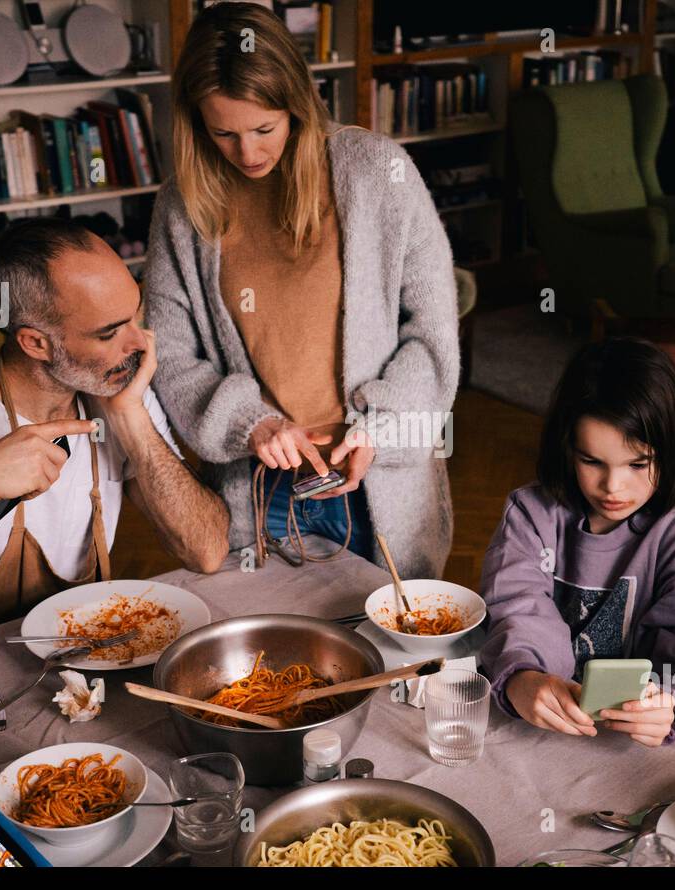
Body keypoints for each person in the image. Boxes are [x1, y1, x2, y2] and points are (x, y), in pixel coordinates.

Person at [144, 1, 459, 577]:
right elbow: (168, 357)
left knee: (396, 656)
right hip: (257, 494)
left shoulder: (375, 172)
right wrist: (252, 423)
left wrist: (381, 428)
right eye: (224, 133)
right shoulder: (181, 207)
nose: (249, 153)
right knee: (271, 665)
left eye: (265, 128)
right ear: (196, 124)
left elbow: (433, 332)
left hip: (377, 483)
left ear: (297, 103)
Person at [0, 218, 230, 669]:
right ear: (36, 342)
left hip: (64, 655)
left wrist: (132, 418)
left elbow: (206, 551)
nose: (141, 341)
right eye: (110, 332)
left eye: (137, 312)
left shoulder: (114, 384)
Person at [479, 338, 675, 747]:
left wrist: (672, 704)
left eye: (638, 464)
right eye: (592, 461)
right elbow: (517, 608)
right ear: (567, 449)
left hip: (636, 749)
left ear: (671, 451)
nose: (613, 487)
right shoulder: (531, 513)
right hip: (537, 729)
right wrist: (523, 676)